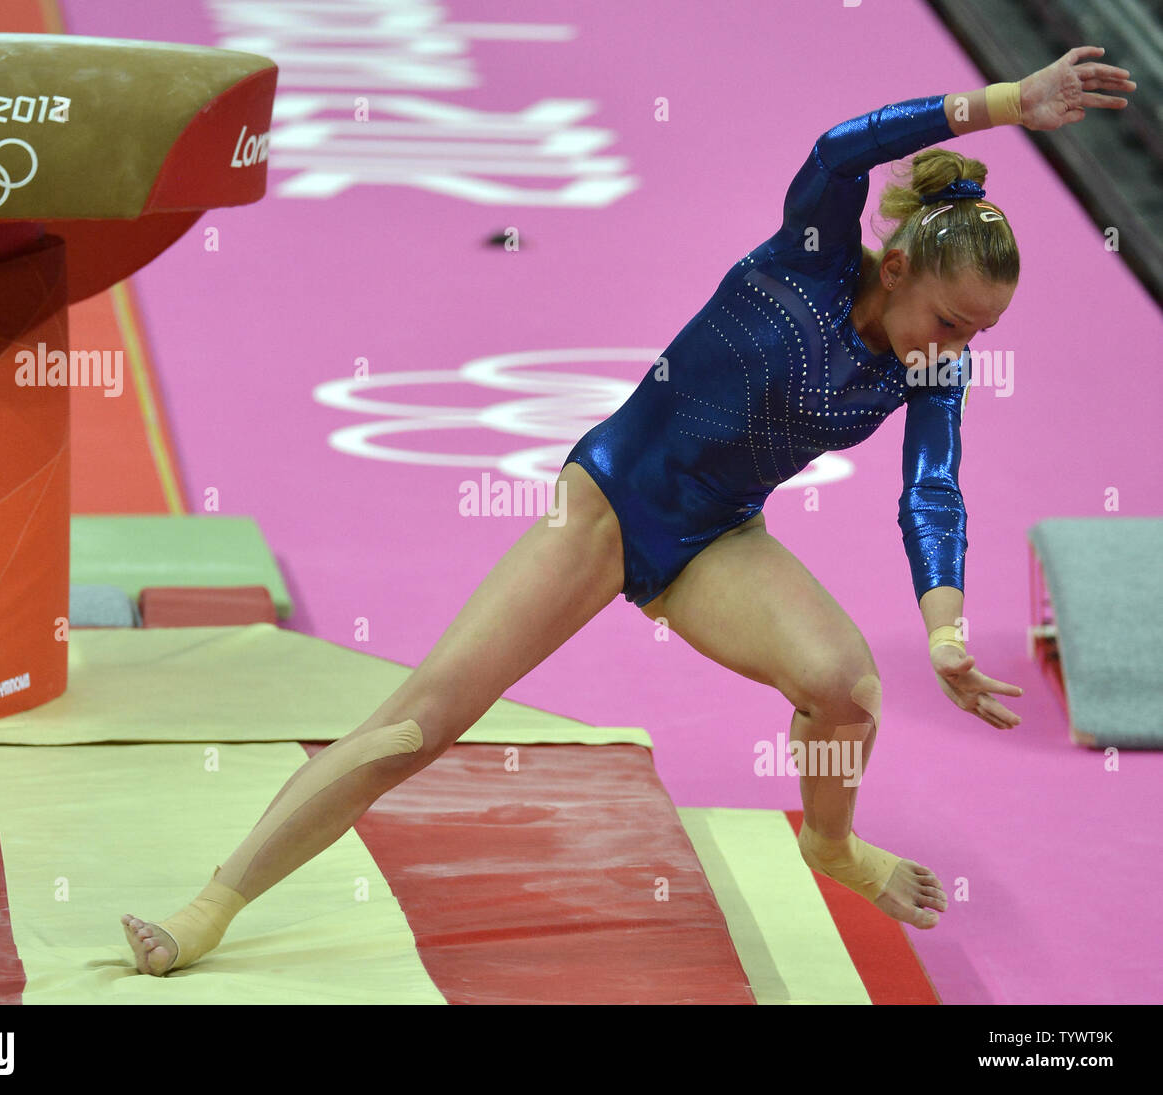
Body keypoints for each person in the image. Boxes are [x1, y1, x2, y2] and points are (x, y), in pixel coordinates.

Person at [123, 46, 1134, 975]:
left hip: (714, 540)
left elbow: (931, 492)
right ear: (900, 267)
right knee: (418, 725)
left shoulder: (931, 374)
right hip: (605, 505)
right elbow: (841, 145)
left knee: (844, 687)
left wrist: (945, 629)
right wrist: (1003, 104)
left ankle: (829, 840)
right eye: (952, 323)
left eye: (978, 337)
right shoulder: (813, 254)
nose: (955, 349)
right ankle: (208, 909)